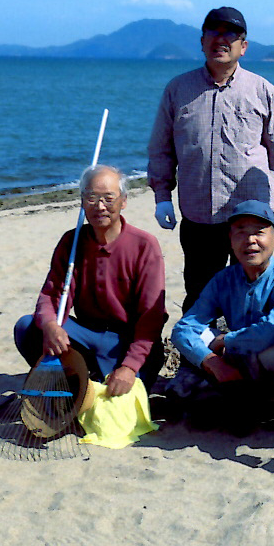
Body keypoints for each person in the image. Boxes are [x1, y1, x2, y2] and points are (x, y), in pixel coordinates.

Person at [147, 6, 274, 312]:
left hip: (251, 215)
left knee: (255, 294)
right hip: (199, 215)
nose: (221, 39)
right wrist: (162, 196)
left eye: (230, 34)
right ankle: (200, 357)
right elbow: (161, 148)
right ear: (202, 41)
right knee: (200, 296)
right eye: (213, 32)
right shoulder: (178, 90)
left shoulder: (263, 90)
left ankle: (253, 354)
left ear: (244, 46)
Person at [15, 165, 167, 396]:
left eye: (108, 198)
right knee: (27, 327)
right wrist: (50, 326)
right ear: (82, 201)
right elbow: (51, 295)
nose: (100, 206)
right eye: (92, 198)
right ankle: (76, 379)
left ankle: (95, 377)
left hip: (127, 340)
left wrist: (129, 366)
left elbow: (152, 317)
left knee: (119, 398)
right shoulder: (72, 241)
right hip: (86, 333)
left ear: (123, 201)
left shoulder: (144, 245)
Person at [167, 200, 274, 430]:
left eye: (259, 233)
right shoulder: (223, 279)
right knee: (199, 336)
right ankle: (241, 395)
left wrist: (227, 340)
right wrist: (211, 361)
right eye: (241, 233)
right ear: (231, 240)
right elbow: (183, 329)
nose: (250, 241)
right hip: (241, 361)